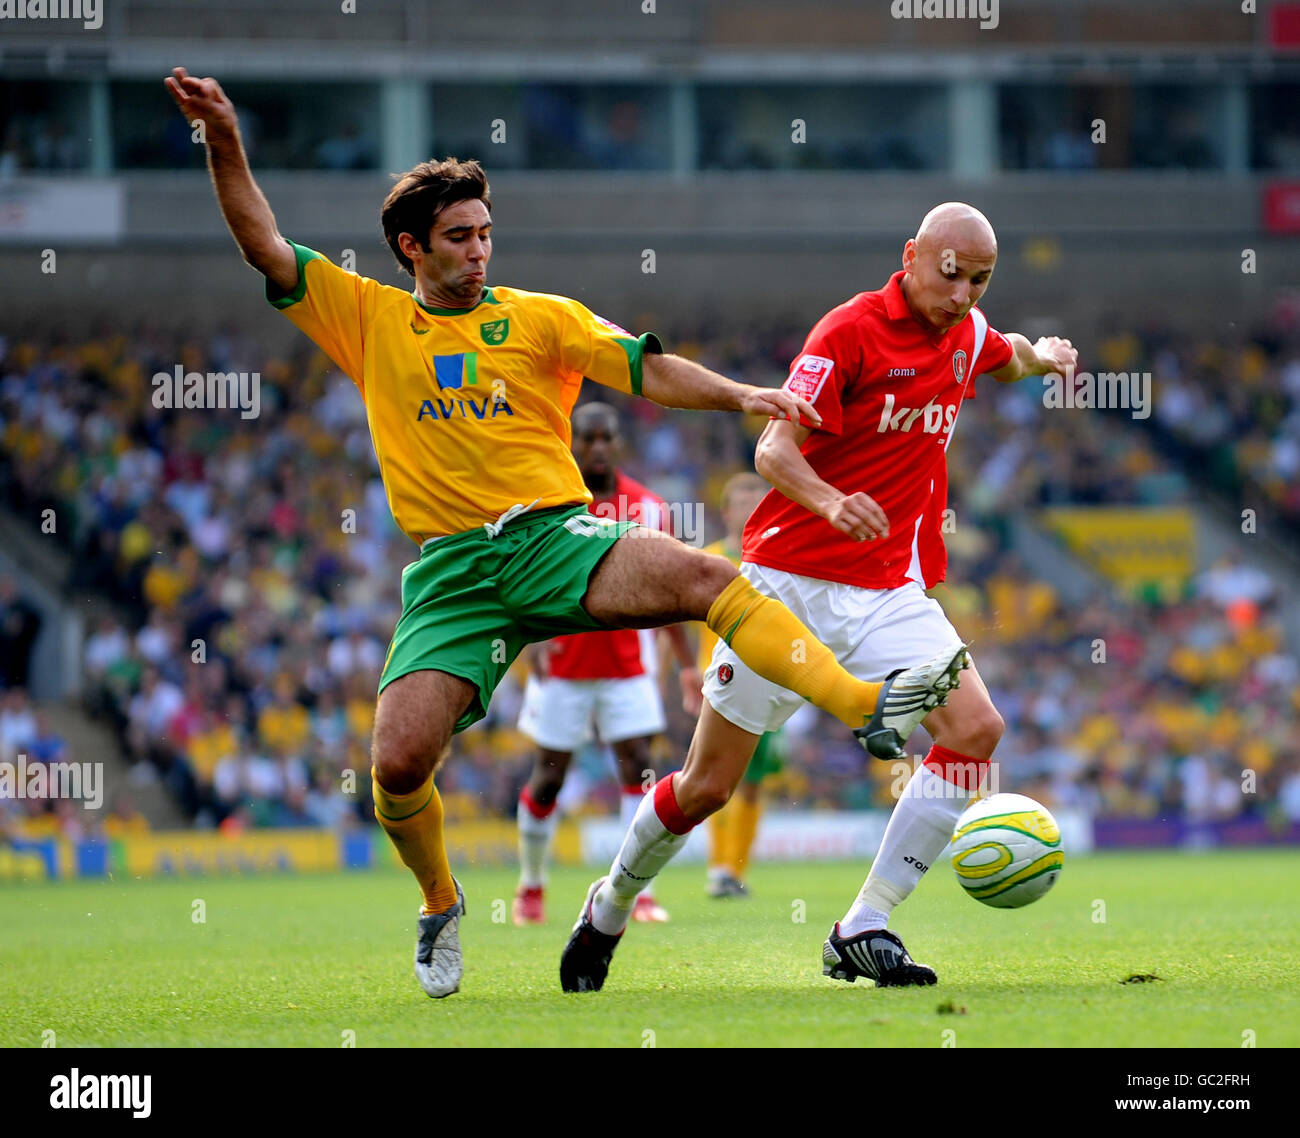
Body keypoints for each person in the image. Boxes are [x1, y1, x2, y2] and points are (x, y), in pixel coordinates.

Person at [167, 67, 965, 1000]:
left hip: (555, 541)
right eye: (459, 238)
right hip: (455, 576)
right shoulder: (365, 316)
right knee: (394, 767)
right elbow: (263, 244)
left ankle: (862, 703)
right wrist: (224, 135)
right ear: (410, 246)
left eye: (486, 234)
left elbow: (645, 368)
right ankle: (438, 901)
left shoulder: (539, 319)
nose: (478, 252)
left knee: (710, 578)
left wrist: (741, 395)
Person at [561, 202, 1077, 993]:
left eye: (981, 280)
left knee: (976, 731)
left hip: (885, 590)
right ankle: (610, 906)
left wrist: (1044, 355)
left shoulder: (965, 335)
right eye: (952, 274)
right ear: (911, 256)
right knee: (706, 787)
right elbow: (773, 449)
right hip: (783, 588)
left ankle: (864, 925)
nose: (965, 294)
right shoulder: (850, 331)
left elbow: (1002, 354)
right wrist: (832, 500)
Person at [513, 402, 699, 926]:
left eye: (605, 438)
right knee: (548, 780)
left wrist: (687, 665)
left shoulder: (648, 508)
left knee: (639, 771)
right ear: (571, 444)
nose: (596, 448)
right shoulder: (548, 504)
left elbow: (672, 592)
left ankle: (635, 892)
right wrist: (530, 641)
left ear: (618, 442)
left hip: (627, 668)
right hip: (563, 669)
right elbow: (524, 582)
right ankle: (531, 885)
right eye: (586, 439)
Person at [695, 472, 782, 899]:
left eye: (757, 503)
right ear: (727, 512)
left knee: (753, 782)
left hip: (768, 679)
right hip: (719, 683)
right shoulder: (709, 560)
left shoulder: (779, 562)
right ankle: (720, 868)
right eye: (742, 503)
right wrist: (685, 675)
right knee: (717, 776)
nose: (750, 510)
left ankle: (736, 869)